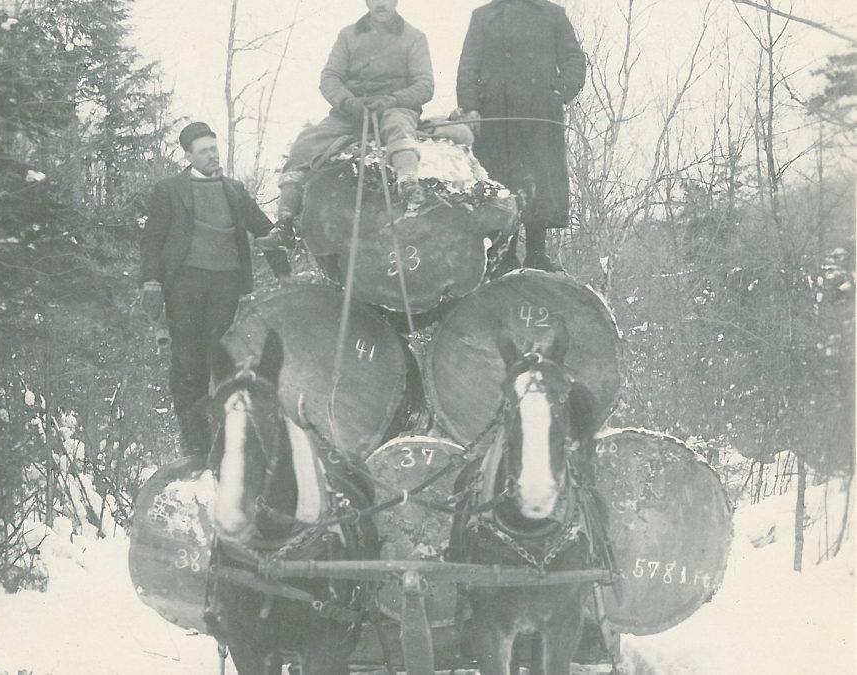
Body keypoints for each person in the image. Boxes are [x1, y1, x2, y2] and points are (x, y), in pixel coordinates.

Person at [139, 121, 291, 458]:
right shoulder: (170, 190)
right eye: (205, 151)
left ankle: (226, 443)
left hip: (226, 287)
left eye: (214, 149)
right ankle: (194, 446)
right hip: (185, 286)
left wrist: (284, 274)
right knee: (187, 364)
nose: (213, 155)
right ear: (189, 155)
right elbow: (152, 240)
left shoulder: (234, 191)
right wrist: (151, 281)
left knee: (222, 363)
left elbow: (264, 231)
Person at [256, 0, 434, 249]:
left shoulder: (414, 37)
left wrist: (393, 100)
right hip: (350, 113)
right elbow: (330, 77)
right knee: (305, 143)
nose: (381, 3)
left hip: (393, 107)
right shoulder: (348, 35)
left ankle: (408, 184)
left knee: (399, 128)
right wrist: (347, 102)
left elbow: (425, 84)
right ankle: (284, 223)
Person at [455, 0, 586, 272]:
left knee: (538, 181)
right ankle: (504, 253)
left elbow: (574, 59)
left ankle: (537, 253)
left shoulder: (552, 15)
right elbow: (468, 66)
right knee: (501, 183)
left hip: (538, 114)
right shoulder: (484, 17)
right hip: (496, 116)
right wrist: (470, 107)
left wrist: (560, 92)